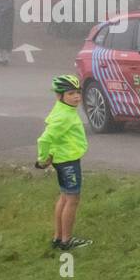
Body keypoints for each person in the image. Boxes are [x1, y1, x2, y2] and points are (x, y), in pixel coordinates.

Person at [35, 74, 92, 250]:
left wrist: (50, 155)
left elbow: (55, 138)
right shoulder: (65, 116)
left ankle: (58, 237)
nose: (76, 97)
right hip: (68, 162)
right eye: (70, 93)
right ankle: (67, 241)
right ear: (59, 96)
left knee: (64, 197)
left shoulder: (62, 109)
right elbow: (44, 139)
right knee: (73, 199)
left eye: (78, 92)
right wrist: (42, 159)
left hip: (63, 158)